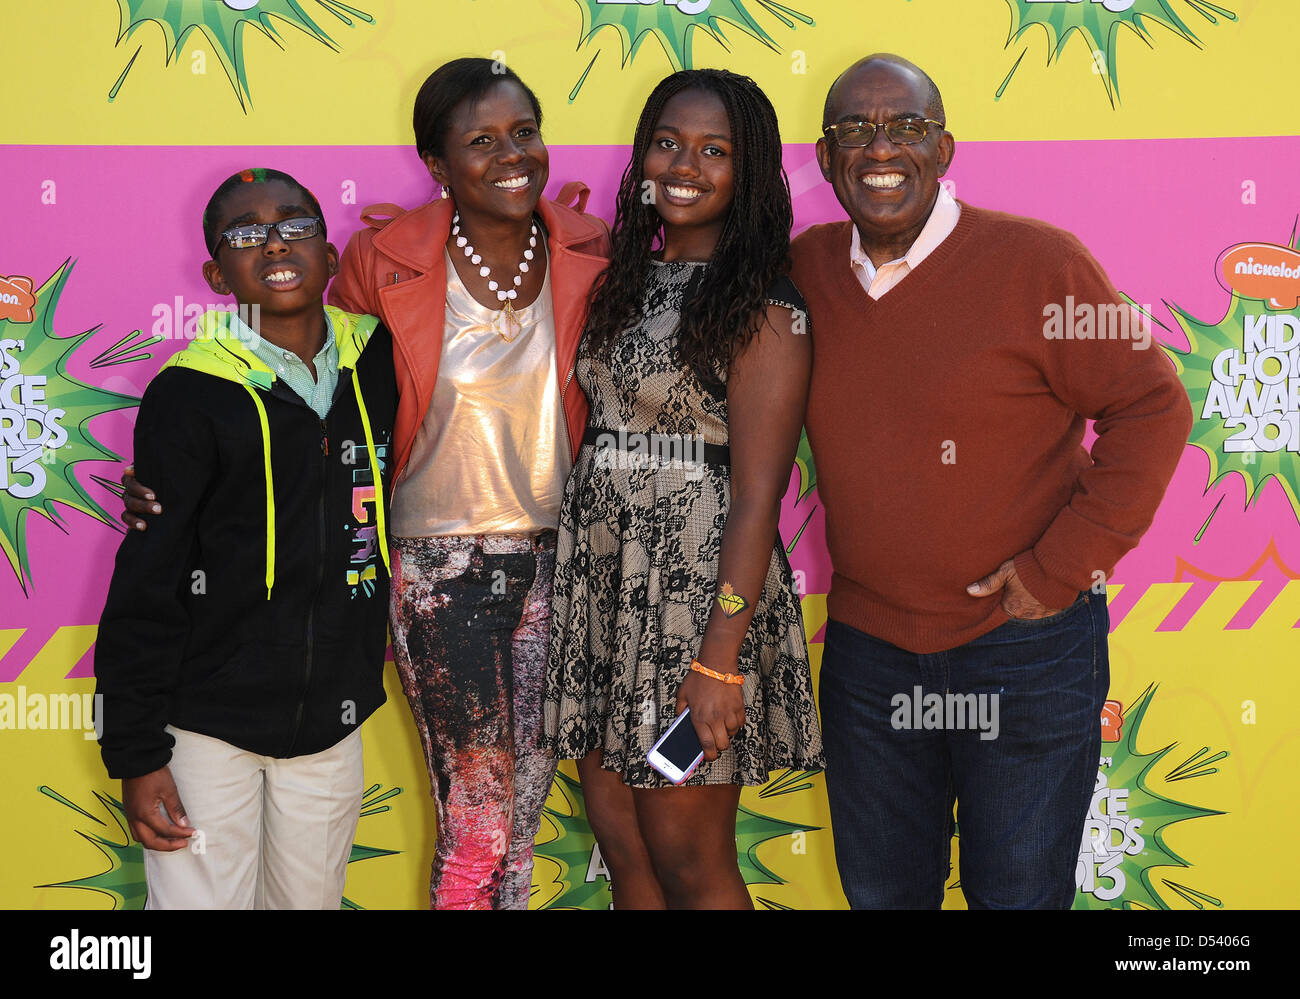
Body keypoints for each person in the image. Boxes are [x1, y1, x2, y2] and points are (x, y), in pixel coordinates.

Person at [123, 58, 610, 909]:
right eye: (480, 140)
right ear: (438, 163)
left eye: (523, 132)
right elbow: (292, 377)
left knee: (520, 819)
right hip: (439, 576)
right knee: (478, 820)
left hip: (556, 566)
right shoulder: (381, 266)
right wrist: (161, 483)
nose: (508, 154)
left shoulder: (589, 248)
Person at [789, 54, 1193, 909]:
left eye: (906, 126)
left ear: (945, 148)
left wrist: (1055, 573)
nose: (879, 147)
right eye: (854, 130)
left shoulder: (1040, 264)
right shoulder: (805, 273)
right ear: (825, 160)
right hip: (870, 655)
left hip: (1027, 652)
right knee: (882, 893)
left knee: (1017, 893)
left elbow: (1153, 409)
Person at [543, 68, 824, 910]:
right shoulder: (625, 279)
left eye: (715, 150)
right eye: (667, 142)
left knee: (689, 859)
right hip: (607, 589)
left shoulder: (767, 306)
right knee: (624, 845)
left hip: (693, 604)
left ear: (752, 173)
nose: (685, 164)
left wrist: (719, 662)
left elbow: (756, 496)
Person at [96, 168, 397, 909]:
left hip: (331, 718)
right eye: (244, 232)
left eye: (295, 224)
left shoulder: (386, 364)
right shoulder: (188, 391)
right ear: (215, 271)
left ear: (331, 255)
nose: (273, 242)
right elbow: (149, 576)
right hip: (205, 725)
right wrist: (136, 752)